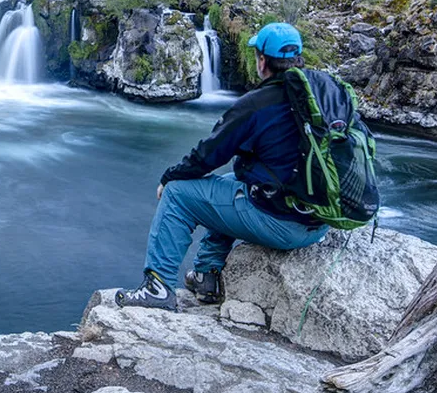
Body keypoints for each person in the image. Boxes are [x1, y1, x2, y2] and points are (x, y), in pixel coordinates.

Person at [115, 21, 342, 311]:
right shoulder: (327, 92)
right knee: (231, 183)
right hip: (321, 220)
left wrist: (169, 177)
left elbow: (209, 154)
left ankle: (157, 287)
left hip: (282, 224)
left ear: (262, 61)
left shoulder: (257, 104)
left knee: (178, 194)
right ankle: (206, 276)